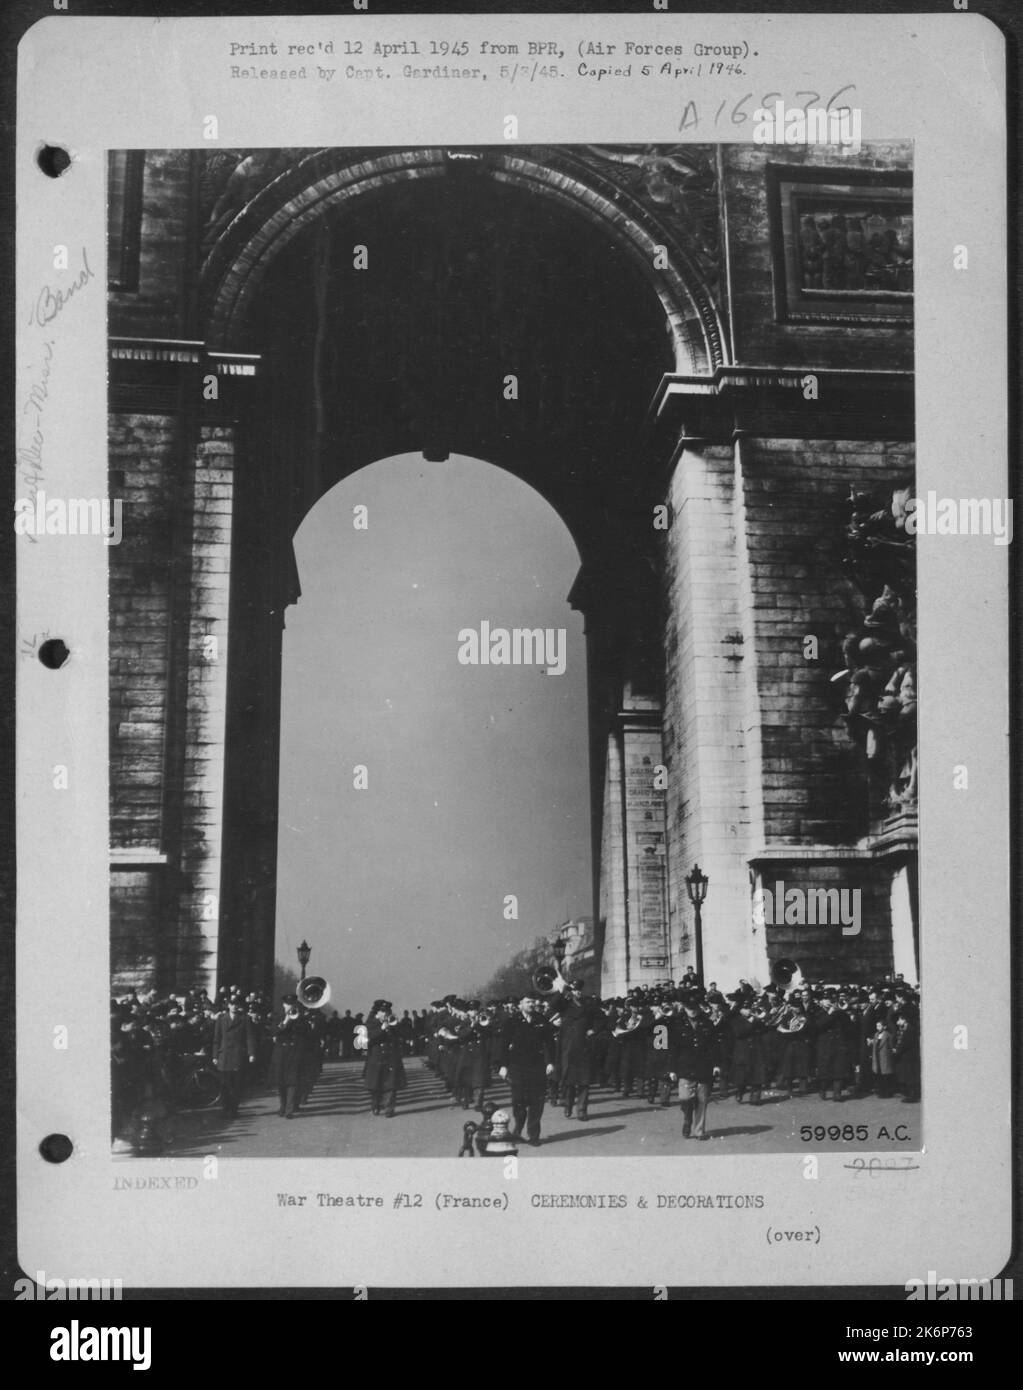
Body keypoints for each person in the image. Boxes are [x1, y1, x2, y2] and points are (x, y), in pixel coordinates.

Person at [497, 992, 556, 1146]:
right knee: (518, 1101)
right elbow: (503, 1045)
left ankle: (533, 1135)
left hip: (537, 1067)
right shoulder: (511, 1021)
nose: (531, 1004)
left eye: (533, 1002)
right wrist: (503, 1066)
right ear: (521, 1004)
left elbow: (549, 1043)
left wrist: (550, 1062)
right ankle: (518, 1128)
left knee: (537, 1102)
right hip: (517, 1067)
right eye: (528, 1002)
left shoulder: (541, 1020)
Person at [669, 996, 716, 1139]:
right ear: (684, 1008)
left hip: (704, 1067)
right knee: (685, 1098)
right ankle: (687, 1117)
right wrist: (671, 1069)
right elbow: (672, 1048)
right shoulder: (676, 1024)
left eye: (695, 1008)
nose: (693, 1011)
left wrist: (717, 1065)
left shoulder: (707, 1023)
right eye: (690, 1009)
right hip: (684, 1067)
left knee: (702, 1100)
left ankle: (699, 1131)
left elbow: (714, 1046)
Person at [212, 996, 258, 1118]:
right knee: (225, 1085)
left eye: (236, 1004)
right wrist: (215, 1055)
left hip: (238, 1055)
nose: (234, 1006)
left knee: (237, 1085)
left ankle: (233, 1110)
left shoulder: (245, 1019)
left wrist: (251, 1053)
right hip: (224, 1056)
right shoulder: (221, 1019)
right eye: (232, 1004)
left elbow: (249, 1037)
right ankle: (225, 1109)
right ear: (228, 1005)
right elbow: (217, 1039)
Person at [269, 995, 311, 1119]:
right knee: (281, 1081)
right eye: (288, 1004)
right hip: (281, 1053)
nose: (290, 1007)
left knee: (293, 1081)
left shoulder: (301, 1019)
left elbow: (307, 1033)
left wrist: (298, 1020)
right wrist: (286, 1021)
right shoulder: (278, 1017)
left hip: (295, 1053)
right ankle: (283, 1105)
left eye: (292, 1004)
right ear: (283, 1005)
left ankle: (289, 1109)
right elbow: (274, 1032)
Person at [363, 1000, 405, 1117]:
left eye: (387, 1011)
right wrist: (381, 1029)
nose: (386, 1013)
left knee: (391, 1084)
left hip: (391, 1057)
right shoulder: (370, 1023)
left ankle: (389, 1109)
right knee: (376, 1085)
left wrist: (394, 1027)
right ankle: (375, 1105)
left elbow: (401, 1035)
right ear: (377, 1013)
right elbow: (367, 1039)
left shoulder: (392, 1022)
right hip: (376, 1058)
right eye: (383, 1011)